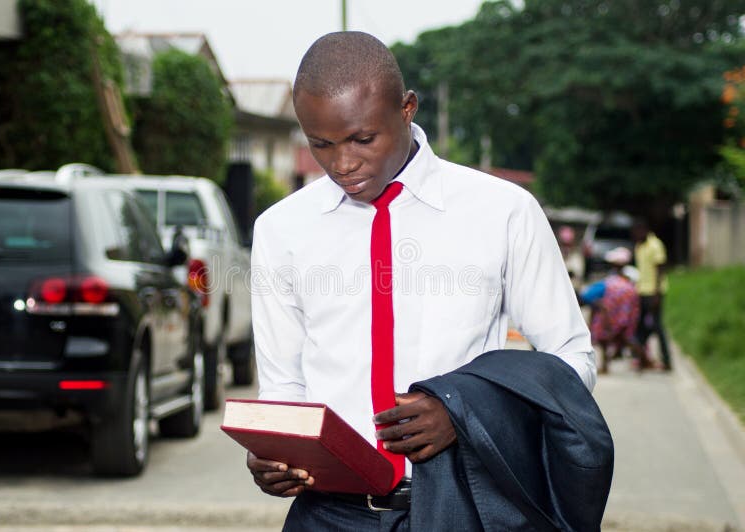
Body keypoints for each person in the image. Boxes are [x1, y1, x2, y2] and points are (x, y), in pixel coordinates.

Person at [246, 31, 596, 530]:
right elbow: (283, 384)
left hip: (464, 507)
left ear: (407, 108)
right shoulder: (280, 229)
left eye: (363, 139)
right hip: (327, 515)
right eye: (321, 144)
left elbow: (572, 363)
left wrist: (465, 413)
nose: (343, 164)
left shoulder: (502, 211)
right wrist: (273, 451)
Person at [582, 247, 649, 374]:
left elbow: (587, 296)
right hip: (626, 317)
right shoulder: (629, 284)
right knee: (627, 338)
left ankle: (605, 365)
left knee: (604, 340)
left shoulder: (609, 283)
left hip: (610, 317)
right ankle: (643, 360)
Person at [631, 218, 672, 371]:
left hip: (654, 292)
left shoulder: (655, 245)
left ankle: (667, 360)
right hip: (642, 290)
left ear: (644, 230)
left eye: (637, 232)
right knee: (641, 325)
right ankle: (640, 357)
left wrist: (657, 293)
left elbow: (660, 269)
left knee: (657, 326)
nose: (635, 235)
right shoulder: (639, 246)